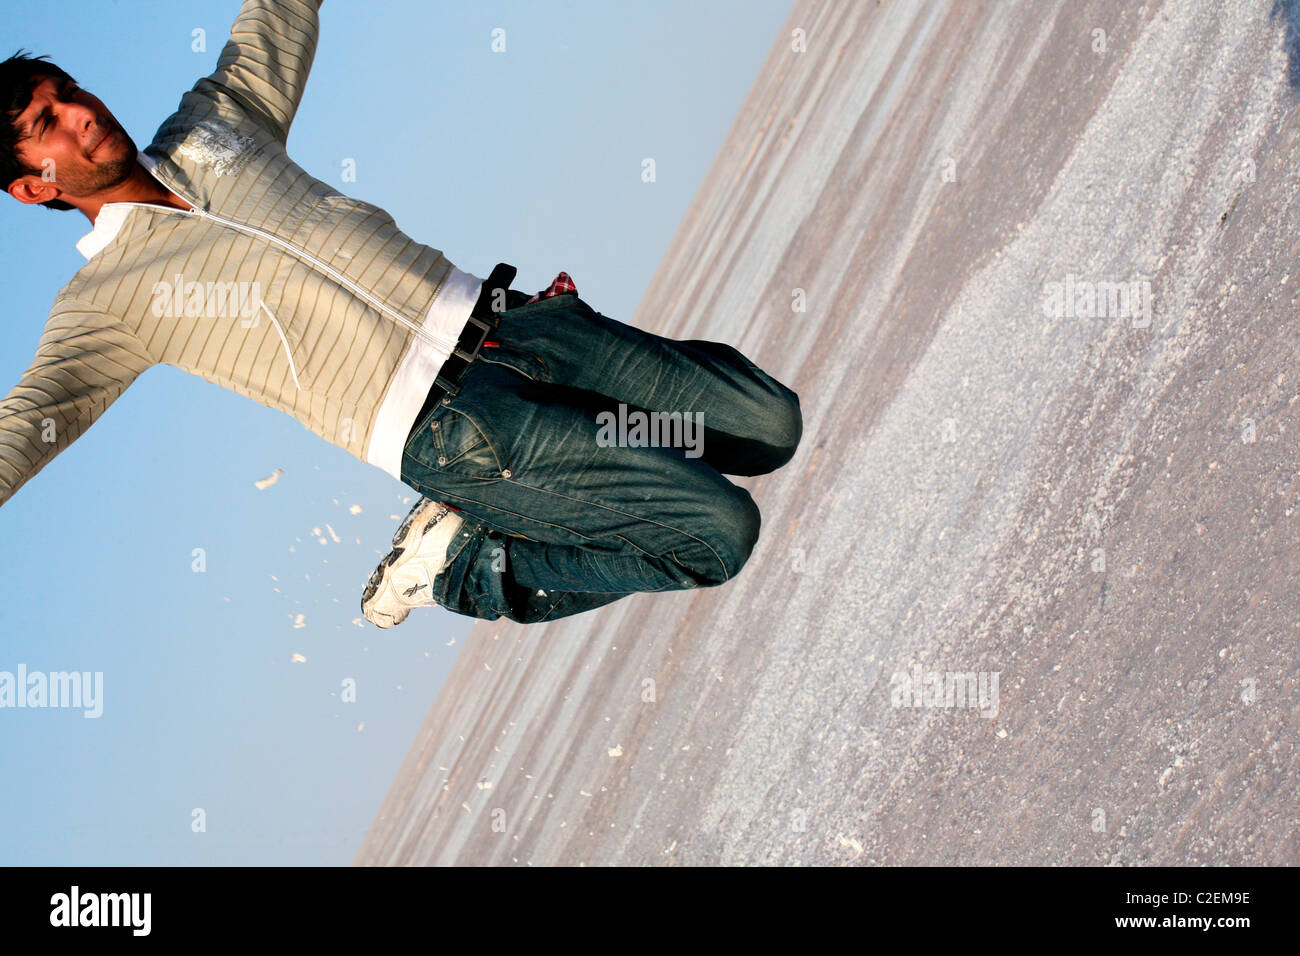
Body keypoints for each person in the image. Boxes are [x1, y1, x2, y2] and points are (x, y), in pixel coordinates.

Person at [0, 0, 802, 626]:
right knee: (717, 531)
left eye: (69, 93)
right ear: (34, 186)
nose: (81, 114)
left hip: (521, 328)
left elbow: (277, 17)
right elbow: (26, 425)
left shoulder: (215, 122)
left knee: (767, 425)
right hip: (459, 432)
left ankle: (507, 513)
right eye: (49, 124)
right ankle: (463, 564)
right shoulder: (104, 305)